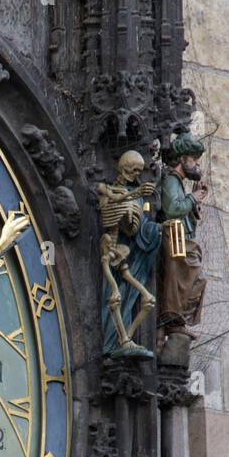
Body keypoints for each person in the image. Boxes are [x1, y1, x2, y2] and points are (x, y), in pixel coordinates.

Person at [96, 150, 161, 358]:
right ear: (123, 169)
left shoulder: (138, 198)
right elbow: (114, 199)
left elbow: (138, 228)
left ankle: (127, 338)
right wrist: (136, 194)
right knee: (116, 295)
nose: (136, 175)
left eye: (139, 171)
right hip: (112, 250)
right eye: (133, 171)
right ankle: (119, 341)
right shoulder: (107, 191)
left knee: (147, 299)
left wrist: (157, 228)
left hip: (126, 253)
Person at [158, 133, 209, 335]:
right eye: (193, 159)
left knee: (197, 280)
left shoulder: (178, 182)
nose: (197, 164)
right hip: (175, 239)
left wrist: (195, 202)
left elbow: (183, 211)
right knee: (186, 278)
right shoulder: (171, 180)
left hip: (182, 239)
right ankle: (173, 320)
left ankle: (177, 320)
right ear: (181, 158)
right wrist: (192, 197)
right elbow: (172, 208)